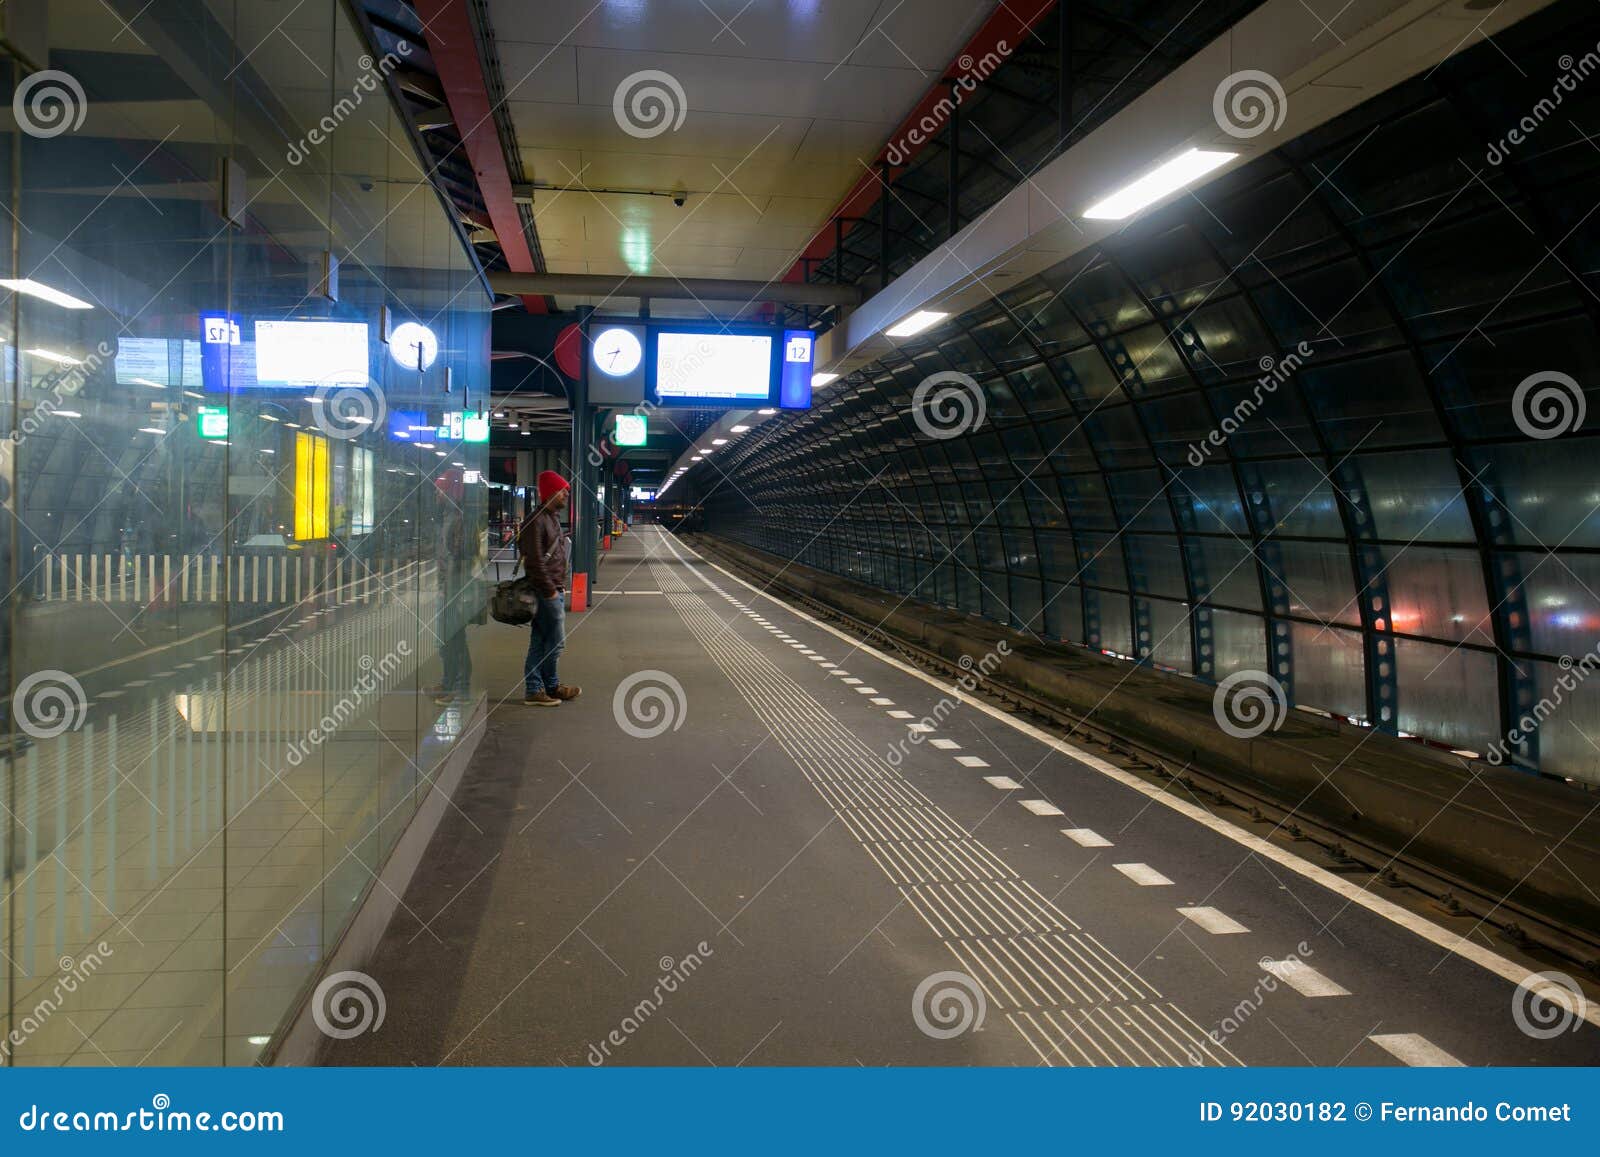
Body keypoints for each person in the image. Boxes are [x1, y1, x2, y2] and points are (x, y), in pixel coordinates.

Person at [517, 470, 581, 706]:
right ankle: (535, 688)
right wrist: (550, 591)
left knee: (541, 640)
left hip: (553, 589)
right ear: (551, 493)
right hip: (546, 591)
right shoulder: (536, 520)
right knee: (555, 643)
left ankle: (549, 686)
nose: (566, 494)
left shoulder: (551, 517)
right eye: (563, 490)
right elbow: (533, 560)